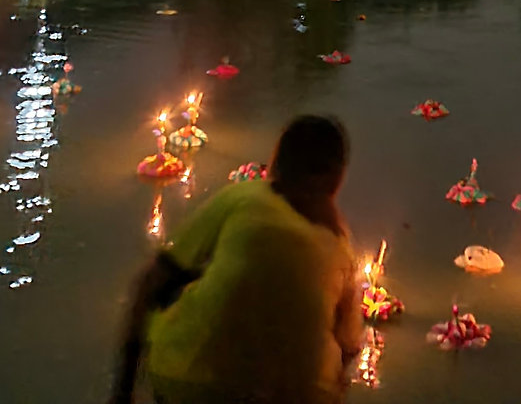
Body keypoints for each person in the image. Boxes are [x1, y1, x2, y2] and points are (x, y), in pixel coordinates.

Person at [108, 115, 362, 404]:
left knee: (173, 278)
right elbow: (350, 348)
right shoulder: (342, 248)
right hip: (305, 394)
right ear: (338, 180)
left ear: (275, 164)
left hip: (191, 379)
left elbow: (153, 280)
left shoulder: (244, 197)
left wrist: (122, 390)